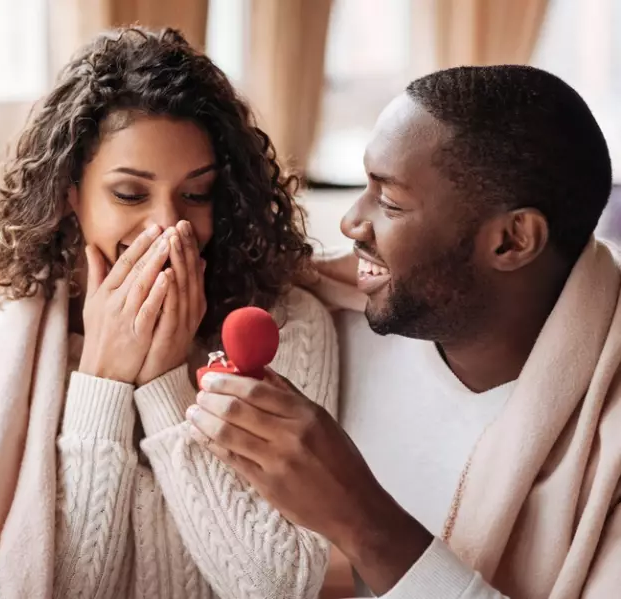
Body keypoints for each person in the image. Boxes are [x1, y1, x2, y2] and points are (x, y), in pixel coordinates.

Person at [0, 27, 339, 599]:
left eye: (195, 194)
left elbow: (277, 586)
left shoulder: (284, 327)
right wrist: (100, 384)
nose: (167, 226)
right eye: (130, 194)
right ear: (71, 193)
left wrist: (163, 381)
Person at [188, 64, 621, 598]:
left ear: (512, 241)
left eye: (389, 202)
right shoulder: (321, 326)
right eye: (365, 185)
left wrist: (360, 519)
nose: (350, 222)